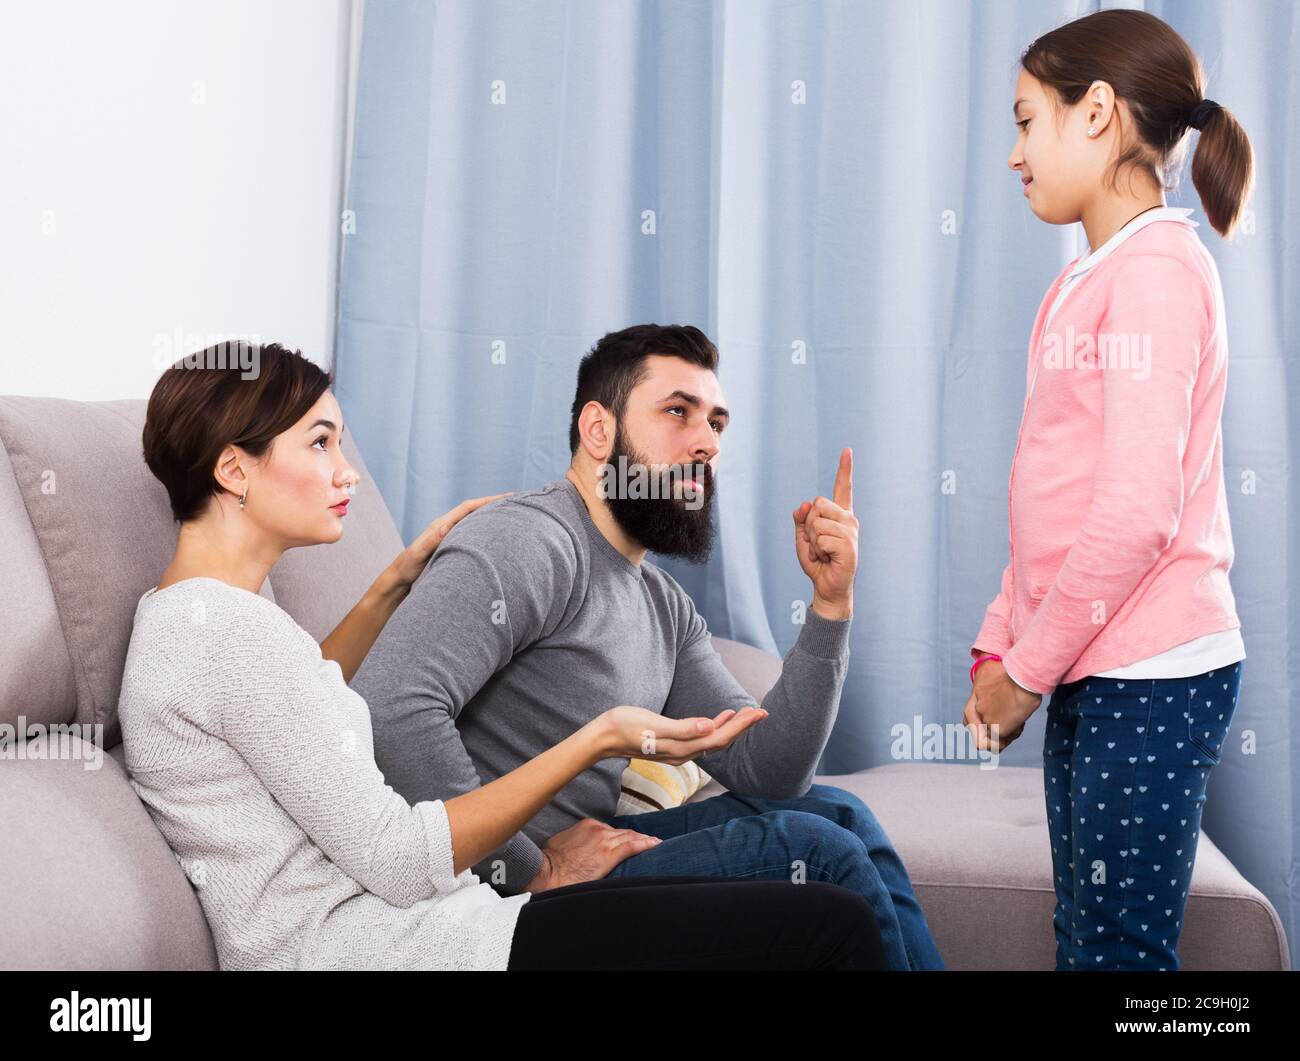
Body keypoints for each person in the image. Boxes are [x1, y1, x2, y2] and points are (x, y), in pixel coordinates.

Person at [117, 341, 886, 971]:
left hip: (435, 924)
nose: (348, 469)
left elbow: (307, 699)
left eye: (717, 420)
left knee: (836, 820)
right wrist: (592, 751)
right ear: (233, 468)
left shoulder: (222, 623)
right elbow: (391, 846)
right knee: (827, 902)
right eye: (320, 442)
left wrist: (396, 577)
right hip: (392, 945)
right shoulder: (220, 634)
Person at [354, 323, 944, 971]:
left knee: (843, 814)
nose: (706, 442)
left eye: (717, 422)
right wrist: (530, 865)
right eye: (677, 412)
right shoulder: (528, 540)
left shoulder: (661, 602)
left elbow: (769, 769)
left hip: (579, 859)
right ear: (598, 430)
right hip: (492, 894)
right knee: (820, 849)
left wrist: (831, 604)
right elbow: (390, 710)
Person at [965, 8, 1253, 971]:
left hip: (1154, 669)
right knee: (1086, 940)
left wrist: (1027, 672)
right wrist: (1003, 636)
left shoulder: (1162, 272)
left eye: (1024, 121)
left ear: (1096, 113)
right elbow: (1046, 489)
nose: (1014, 154)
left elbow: (1136, 515)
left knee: (1121, 957)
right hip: (1095, 659)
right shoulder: (1087, 281)